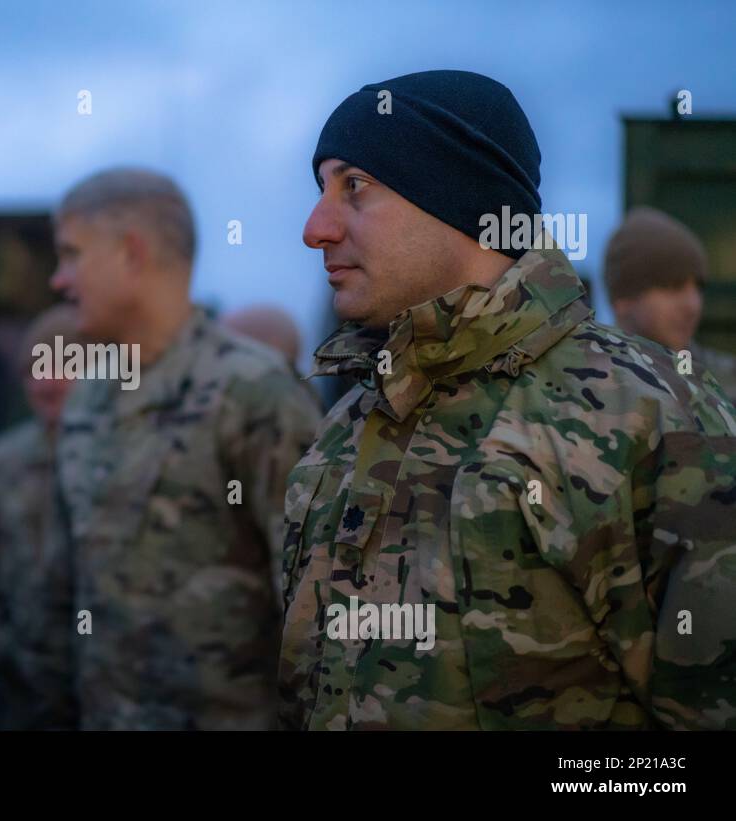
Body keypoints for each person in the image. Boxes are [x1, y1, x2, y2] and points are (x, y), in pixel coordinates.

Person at [279, 69, 736, 730]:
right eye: (320, 189)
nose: (315, 227)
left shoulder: (645, 412)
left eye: (354, 186)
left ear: (458, 198)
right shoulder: (345, 430)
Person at [51, 168, 323, 729]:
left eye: (71, 255)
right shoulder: (89, 396)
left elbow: (312, 610)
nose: (59, 279)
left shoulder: (252, 391)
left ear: (131, 254)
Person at [0, 304, 80, 729]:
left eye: (63, 365)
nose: (45, 383)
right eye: (34, 369)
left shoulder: (130, 459)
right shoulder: (2, 460)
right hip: (19, 688)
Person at [604, 206, 736, 399]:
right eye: (673, 287)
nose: (693, 305)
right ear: (624, 300)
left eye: (698, 287)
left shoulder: (725, 382)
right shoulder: (588, 382)